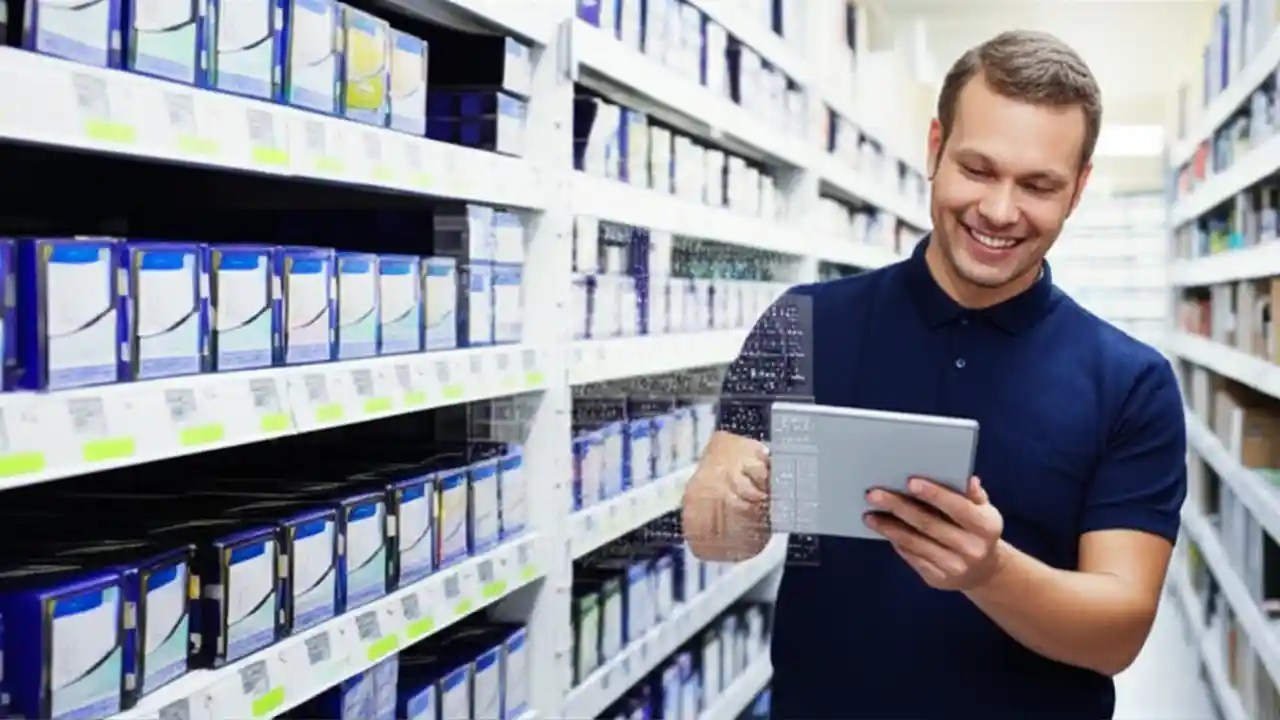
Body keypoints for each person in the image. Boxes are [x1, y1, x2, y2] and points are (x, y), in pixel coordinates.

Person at [680, 29, 1186, 720]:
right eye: (978, 169)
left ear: (1078, 189)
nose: (999, 210)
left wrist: (989, 571)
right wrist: (738, 509)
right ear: (935, 148)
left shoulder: (1133, 383)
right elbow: (708, 533)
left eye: (1038, 185)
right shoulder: (803, 323)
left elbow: (1118, 633)